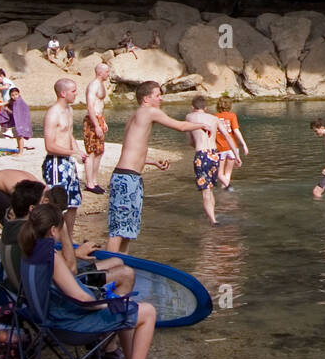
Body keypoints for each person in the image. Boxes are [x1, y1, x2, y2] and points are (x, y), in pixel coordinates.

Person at [19, 202, 159, 359]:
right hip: (68, 326)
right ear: (53, 231)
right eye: (61, 229)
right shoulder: (51, 256)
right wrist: (106, 304)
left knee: (126, 306)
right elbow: (82, 299)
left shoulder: (30, 250)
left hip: (46, 319)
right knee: (148, 312)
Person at [105, 81, 192, 253]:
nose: (161, 99)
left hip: (130, 177)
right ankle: (106, 269)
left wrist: (151, 161)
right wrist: (208, 124)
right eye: (157, 95)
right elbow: (181, 126)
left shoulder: (136, 115)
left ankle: (120, 266)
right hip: (126, 178)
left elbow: (132, 148)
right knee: (118, 230)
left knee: (128, 231)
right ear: (146, 99)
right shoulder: (149, 111)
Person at [41, 79, 87, 241]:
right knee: (56, 203)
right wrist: (72, 152)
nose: (76, 93)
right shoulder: (53, 113)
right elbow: (49, 145)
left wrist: (77, 151)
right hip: (55, 162)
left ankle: (68, 238)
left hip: (68, 162)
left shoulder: (69, 110)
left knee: (74, 201)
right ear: (63, 93)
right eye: (73, 91)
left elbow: (69, 134)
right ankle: (52, 237)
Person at [186, 96, 238, 225]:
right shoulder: (214, 118)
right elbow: (227, 136)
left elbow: (191, 141)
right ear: (205, 108)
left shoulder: (189, 117)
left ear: (193, 107)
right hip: (215, 155)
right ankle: (213, 215)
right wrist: (237, 155)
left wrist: (197, 146)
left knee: (206, 190)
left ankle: (213, 221)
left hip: (201, 154)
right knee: (211, 188)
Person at [83, 63, 111, 195]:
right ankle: (89, 183)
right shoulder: (94, 85)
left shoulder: (100, 84)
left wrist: (103, 121)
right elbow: (90, 106)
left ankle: (94, 181)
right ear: (100, 73)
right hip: (92, 120)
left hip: (99, 118)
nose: (108, 74)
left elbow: (100, 105)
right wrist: (95, 125)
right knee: (92, 152)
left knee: (99, 151)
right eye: (107, 72)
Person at [215, 94, 248, 189]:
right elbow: (236, 131)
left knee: (219, 173)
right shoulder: (232, 116)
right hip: (233, 148)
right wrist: (244, 145)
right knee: (228, 173)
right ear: (230, 105)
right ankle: (226, 192)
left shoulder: (214, 117)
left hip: (220, 148)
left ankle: (228, 188)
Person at [0, 86, 32, 152]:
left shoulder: (19, 102)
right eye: (12, 95)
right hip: (17, 121)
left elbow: (17, 113)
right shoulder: (12, 101)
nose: (14, 96)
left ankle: (20, 152)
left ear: (19, 94)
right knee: (17, 135)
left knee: (19, 135)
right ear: (10, 96)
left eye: (16, 94)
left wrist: (7, 109)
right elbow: (3, 103)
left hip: (22, 120)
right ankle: (20, 150)